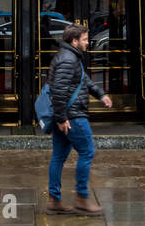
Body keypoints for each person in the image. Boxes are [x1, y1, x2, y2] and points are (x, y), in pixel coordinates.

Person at [47, 23, 112, 215]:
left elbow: (84, 81)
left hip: (66, 115)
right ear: (74, 41)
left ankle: (54, 200)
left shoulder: (70, 57)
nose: (87, 43)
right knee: (87, 152)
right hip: (73, 116)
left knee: (58, 157)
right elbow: (58, 90)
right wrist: (61, 118)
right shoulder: (69, 60)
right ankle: (82, 198)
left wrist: (101, 94)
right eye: (84, 39)